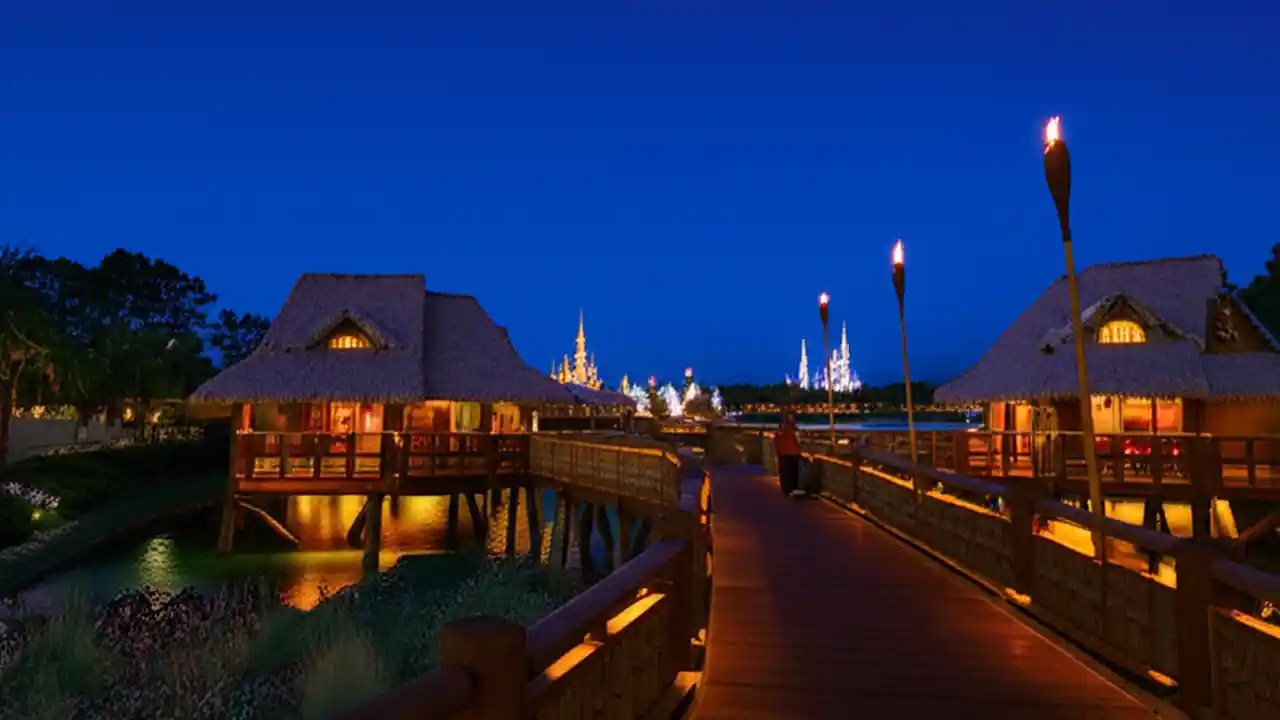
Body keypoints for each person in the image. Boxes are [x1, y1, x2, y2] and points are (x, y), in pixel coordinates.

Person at [775, 410, 803, 497]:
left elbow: (777, 440)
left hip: (783, 453)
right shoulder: (790, 429)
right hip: (791, 452)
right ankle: (792, 488)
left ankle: (787, 489)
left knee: (785, 472)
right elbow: (795, 439)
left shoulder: (780, 429)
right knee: (792, 471)